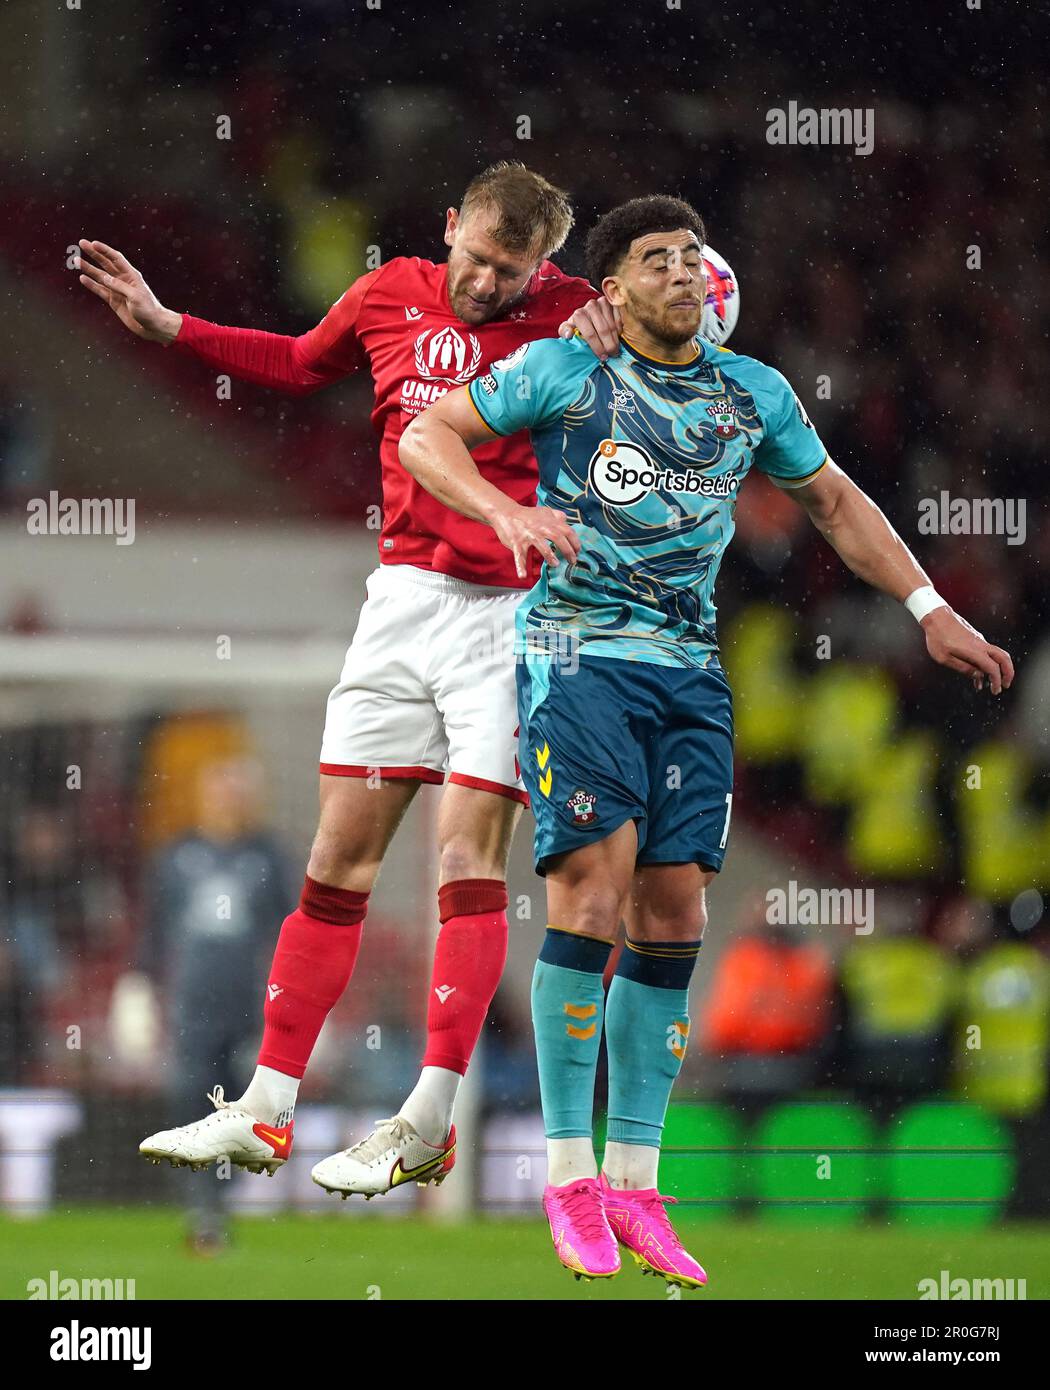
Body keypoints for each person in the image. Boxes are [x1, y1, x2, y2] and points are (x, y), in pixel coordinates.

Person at [398, 194, 1015, 1285]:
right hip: (579, 656)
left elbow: (830, 499)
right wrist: (503, 515)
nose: (686, 274)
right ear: (615, 290)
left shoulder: (752, 393)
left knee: (676, 908)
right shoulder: (560, 370)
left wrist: (928, 607)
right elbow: (425, 432)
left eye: (693, 257)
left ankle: (637, 1183)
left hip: (692, 674)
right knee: (592, 893)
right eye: (657, 260)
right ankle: (569, 1177)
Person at [76, 162, 620, 1194]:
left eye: (512, 272)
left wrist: (616, 334)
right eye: (477, 259)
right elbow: (293, 361)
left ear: (541, 264)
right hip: (401, 604)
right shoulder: (385, 295)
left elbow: (686, 334)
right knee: (337, 859)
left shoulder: (575, 314)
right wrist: (167, 325)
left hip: (512, 616)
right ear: (448, 225)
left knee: (468, 854)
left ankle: (427, 1116)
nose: (488, 286)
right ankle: (266, 1108)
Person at [136, 757, 292, 1252]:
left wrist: (301, 1002)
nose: (230, 799)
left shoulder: (268, 857)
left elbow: (289, 935)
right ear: (204, 796)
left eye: (238, 790)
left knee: (244, 1112)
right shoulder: (176, 857)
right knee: (190, 1101)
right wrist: (136, 986)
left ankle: (220, 1201)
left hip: (250, 1011)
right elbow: (153, 932)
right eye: (221, 789)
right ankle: (202, 1209)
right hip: (191, 1011)